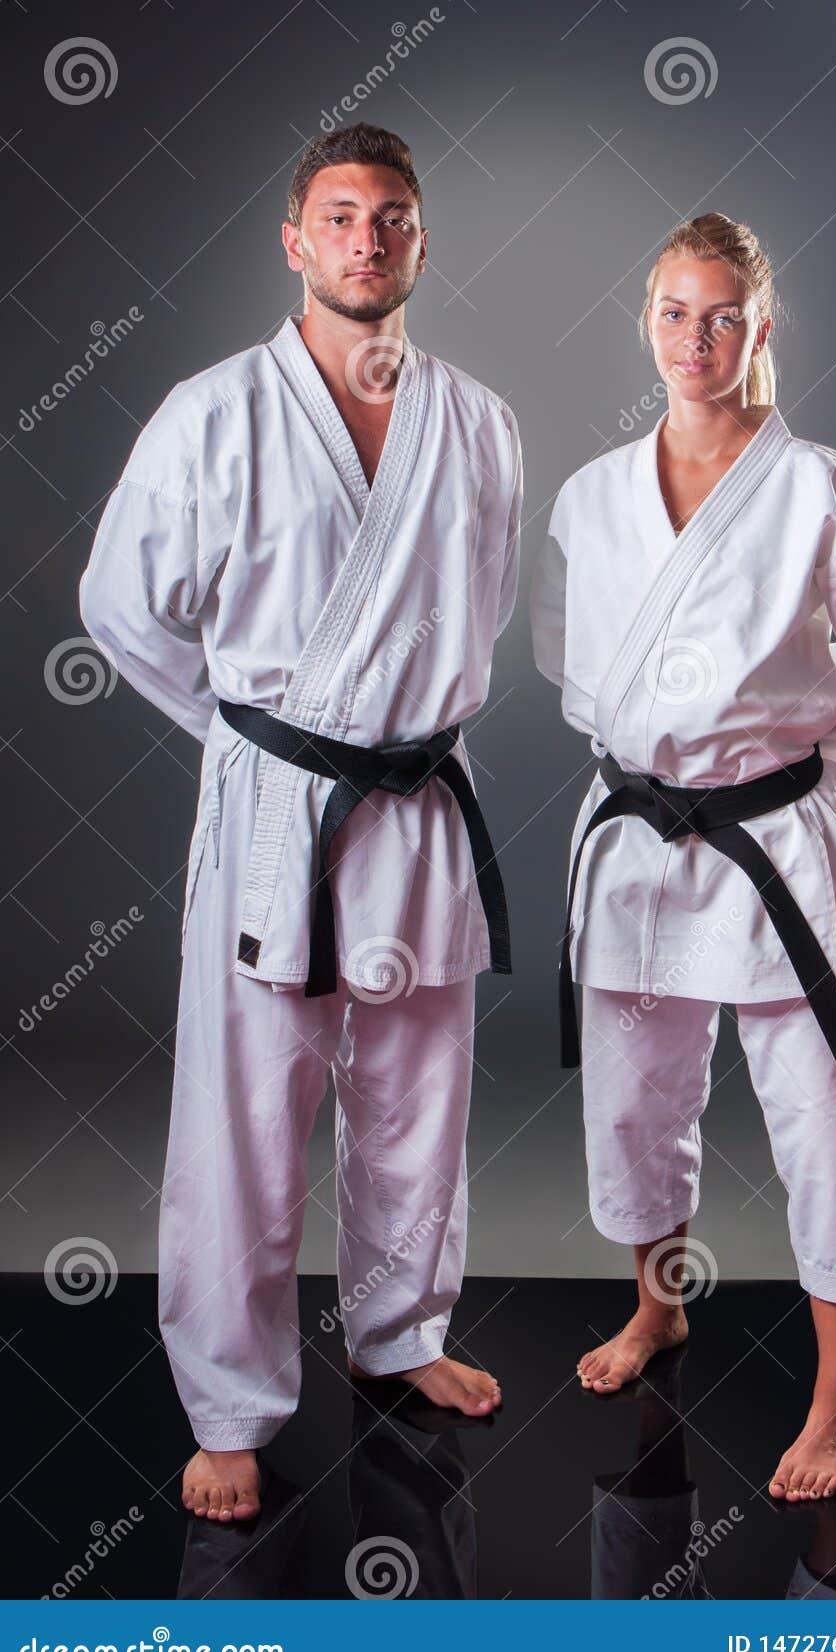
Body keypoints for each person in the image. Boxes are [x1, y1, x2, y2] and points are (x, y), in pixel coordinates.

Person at [78, 122, 521, 1525]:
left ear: (420, 242)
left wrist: (390, 723)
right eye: (341, 215)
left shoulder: (480, 422)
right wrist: (242, 735)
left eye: (393, 216)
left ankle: (398, 1336)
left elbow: (486, 607)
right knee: (249, 1113)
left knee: (418, 1097)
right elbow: (118, 608)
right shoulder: (211, 414)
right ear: (296, 239)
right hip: (279, 802)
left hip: (418, 798)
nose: (368, 238)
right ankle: (228, 1400)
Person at [530, 211, 836, 1503]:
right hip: (641, 838)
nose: (695, 339)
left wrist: (790, 774)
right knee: (636, 1097)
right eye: (672, 311)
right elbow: (567, 665)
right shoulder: (594, 496)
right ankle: (659, 1309)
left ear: (764, 328)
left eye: (723, 315)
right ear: (644, 320)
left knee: (832, 1116)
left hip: (774, 842)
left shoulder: (827, 490)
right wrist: (672, 769)